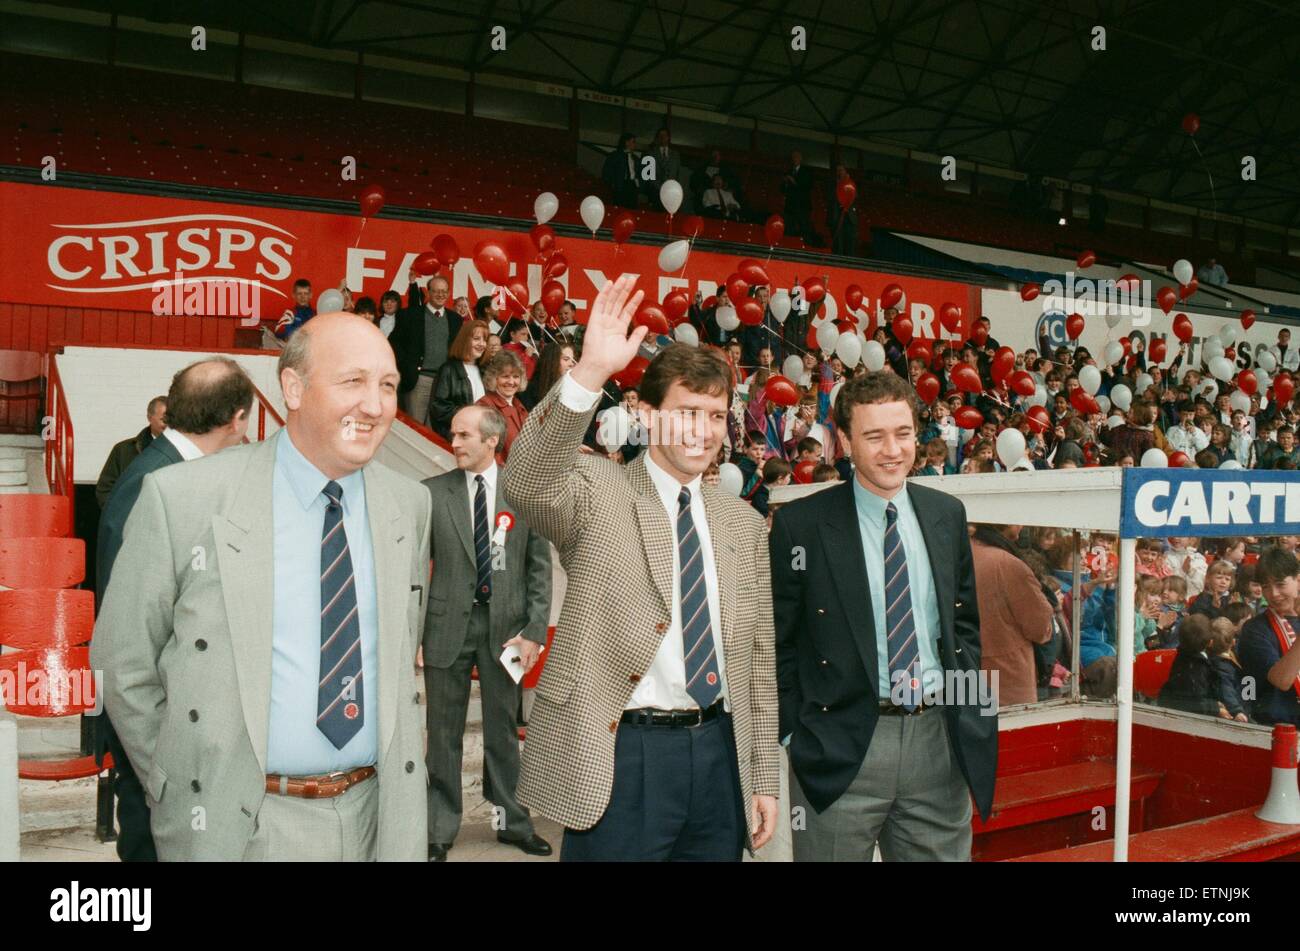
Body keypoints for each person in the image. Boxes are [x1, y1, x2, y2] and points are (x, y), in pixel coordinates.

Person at [90, 313, 432, 860]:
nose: (375, 404)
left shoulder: (409, 506)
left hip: (376, 821)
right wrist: (181, 774)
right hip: (241, 826)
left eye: (388, 385)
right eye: (353, 381)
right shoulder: (183, 498)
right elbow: (122, 658)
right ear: (292, 388)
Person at [502, 274, 780, 861]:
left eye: (713, 415)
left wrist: (762, 779)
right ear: (648, 415)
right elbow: (525, 482)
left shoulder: (742, 524)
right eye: (685, 413)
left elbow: (756, 665)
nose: (702, 431)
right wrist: (589, 374)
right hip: (623, 757)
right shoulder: (596, 490)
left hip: (718, 755)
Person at [771, 370, 997, 861]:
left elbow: (963, 628)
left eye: (903, 433)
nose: (892, 450)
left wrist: (968, 715)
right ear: (845, 443)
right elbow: (778, 643)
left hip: (938, 746)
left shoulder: (946, 514)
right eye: (873, 436)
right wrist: (795, 733)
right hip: (839, 746)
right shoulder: (801, 526)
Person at [93, 360, 253, 862]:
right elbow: (127, 638)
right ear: (238, 419)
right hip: (155, 728)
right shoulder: (154, 481)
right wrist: (159, 755)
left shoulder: (179, 472)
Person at [423, 404, 552, 862]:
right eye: (453, 435)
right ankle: (438, 829)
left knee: (502, 731)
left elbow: (538, 571)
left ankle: (511, 823)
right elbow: (418, 572)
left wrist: (534, 631)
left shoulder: (523, 496)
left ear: (492, 441)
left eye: (463, 435)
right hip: (445, 629)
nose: (454, 443)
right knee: (442, 733)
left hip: (508, 634)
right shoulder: (431, 494)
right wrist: (416, 637)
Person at [970, 524, 1054, 707]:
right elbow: (1040, 628)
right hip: (1007, 681)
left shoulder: (960, 553)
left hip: (963, 672)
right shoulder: (1009, 565)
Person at [1238, 547, 1300, 727]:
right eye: (1266, 586)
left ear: (1298, 579)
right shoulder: (1255, 629)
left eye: (1280, 584)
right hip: (1279, 729)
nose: (1273, 594)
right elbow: (1281, 680)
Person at [390, 273, 463, 423]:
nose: (440, 295)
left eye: (444, 291)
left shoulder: (455, 319)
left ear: (449, 293)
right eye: (436, 291)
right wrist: (406, 367)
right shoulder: (410, 315)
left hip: (444, 383)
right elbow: (394, 343)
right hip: (419, 380)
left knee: (436, 430)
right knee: (415, 428)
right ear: (428, 292)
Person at [95, 395, 166, 508]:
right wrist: (119, 517)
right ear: (149, 417)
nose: (169, 424)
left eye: (173, 419)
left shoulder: (183, 450)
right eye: (164, 419)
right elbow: (105, 489)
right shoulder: (122, 450)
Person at [429, 319, 490, 438]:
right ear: (465, 340)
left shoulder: (484, 371)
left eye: (485, 340)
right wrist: (471, 416)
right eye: (477, 339)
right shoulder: (448, 369)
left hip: (480, 436)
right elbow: (439, 408)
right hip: (456, 438)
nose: (482, 344)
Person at [1158, 614, 1227, 718]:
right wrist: (1216, 709)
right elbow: (1194, 703)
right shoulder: (1196, 668)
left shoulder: (1183, 655)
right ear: (1210, 642)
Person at [476, 350, 528, 463]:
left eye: (516, 376)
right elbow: (485, 450)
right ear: (494, 378)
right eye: (505, 376)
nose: (511, 382)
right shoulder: (485, 406)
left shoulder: (519, 405)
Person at [780, 150, 815, 241]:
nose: (794, 159)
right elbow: (782, 190)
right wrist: (785, 182)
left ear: (800, 159)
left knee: (804, 228)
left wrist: (794, 181)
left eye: (796, 157)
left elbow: (806, 187)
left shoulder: (806, 172)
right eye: (793, 157)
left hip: (802, 206)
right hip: (790, 206)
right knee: (789, 228)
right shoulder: (788, 171)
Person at [601, 132, 641, 210]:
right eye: (633, 142)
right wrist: (613, 185)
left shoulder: (635, 159)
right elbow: (607, 173)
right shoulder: (615, 156)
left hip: (632, 186)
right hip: (620, 187)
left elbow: (637, 172)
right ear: (627, 142)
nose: (635, 145)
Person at [826, 164, 858, 257]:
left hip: (849, 219)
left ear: (846, 172)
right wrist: (838, 184)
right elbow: (829, 198)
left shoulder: (851, 183)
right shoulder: (832, 183)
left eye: (841, 170)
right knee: (838, 246)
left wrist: (848, 182)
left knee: (850, 245)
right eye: (838, 170)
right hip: (837, 217)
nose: (839, 172)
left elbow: (856, 197)